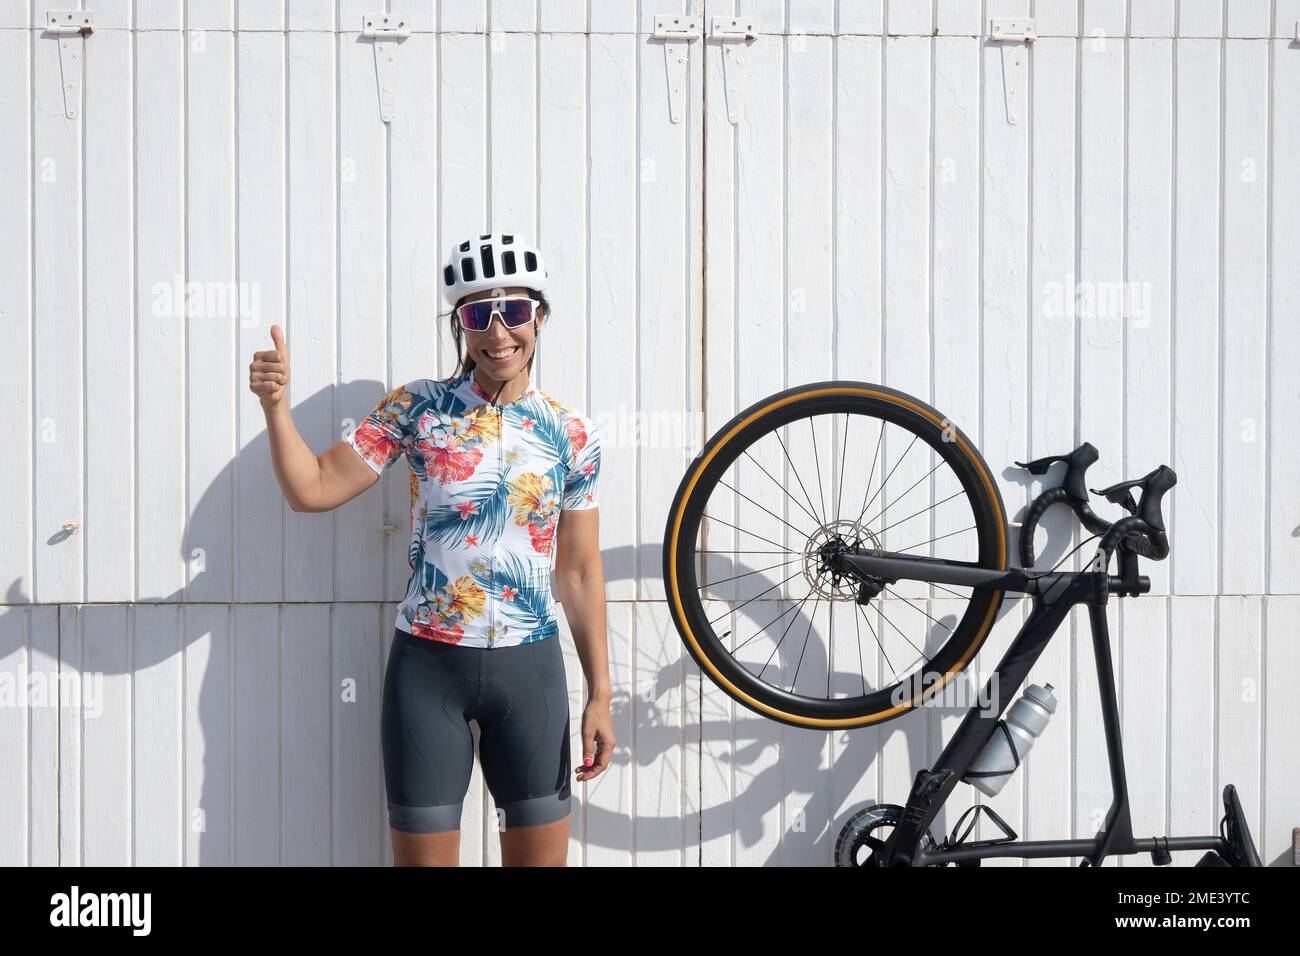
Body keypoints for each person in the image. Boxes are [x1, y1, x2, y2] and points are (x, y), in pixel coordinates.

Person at [249, 233, 614, 866]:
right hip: (427, 670)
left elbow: (579, 572)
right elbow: (311, 489)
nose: (498, 332)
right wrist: (276, 407)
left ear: (540, 317)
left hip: (532, 676)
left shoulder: (572, 432)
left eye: (515, 312)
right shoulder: (418, 408)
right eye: (478, 314)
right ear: (460, 325)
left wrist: (602, 694)